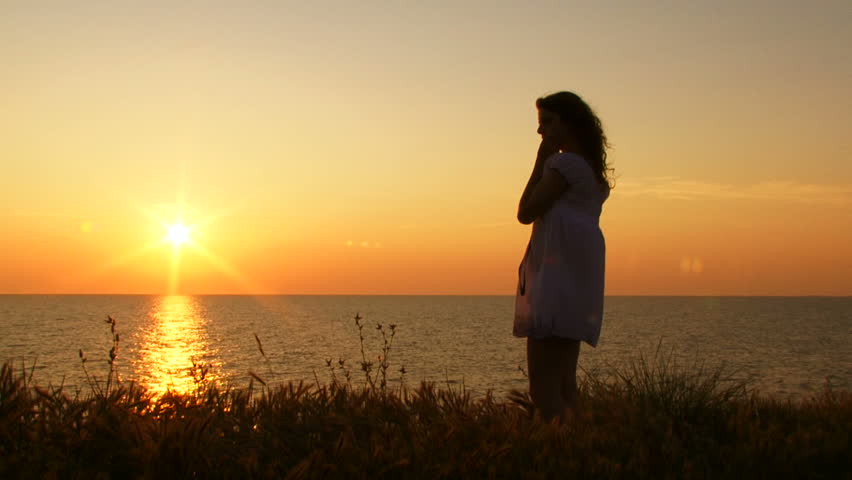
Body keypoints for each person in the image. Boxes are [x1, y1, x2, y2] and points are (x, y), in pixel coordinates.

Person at [515, 91, 612, 421]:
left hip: (555, 281)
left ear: (568, 123)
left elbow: (526, 211)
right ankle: (580, 447)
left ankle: (560, 450)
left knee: (542, 391)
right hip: (579, 279)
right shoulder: (591, 172)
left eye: (547, 123)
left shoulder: (564, 164)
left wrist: (540, 160)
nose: (540, 132)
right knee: (565, 384)